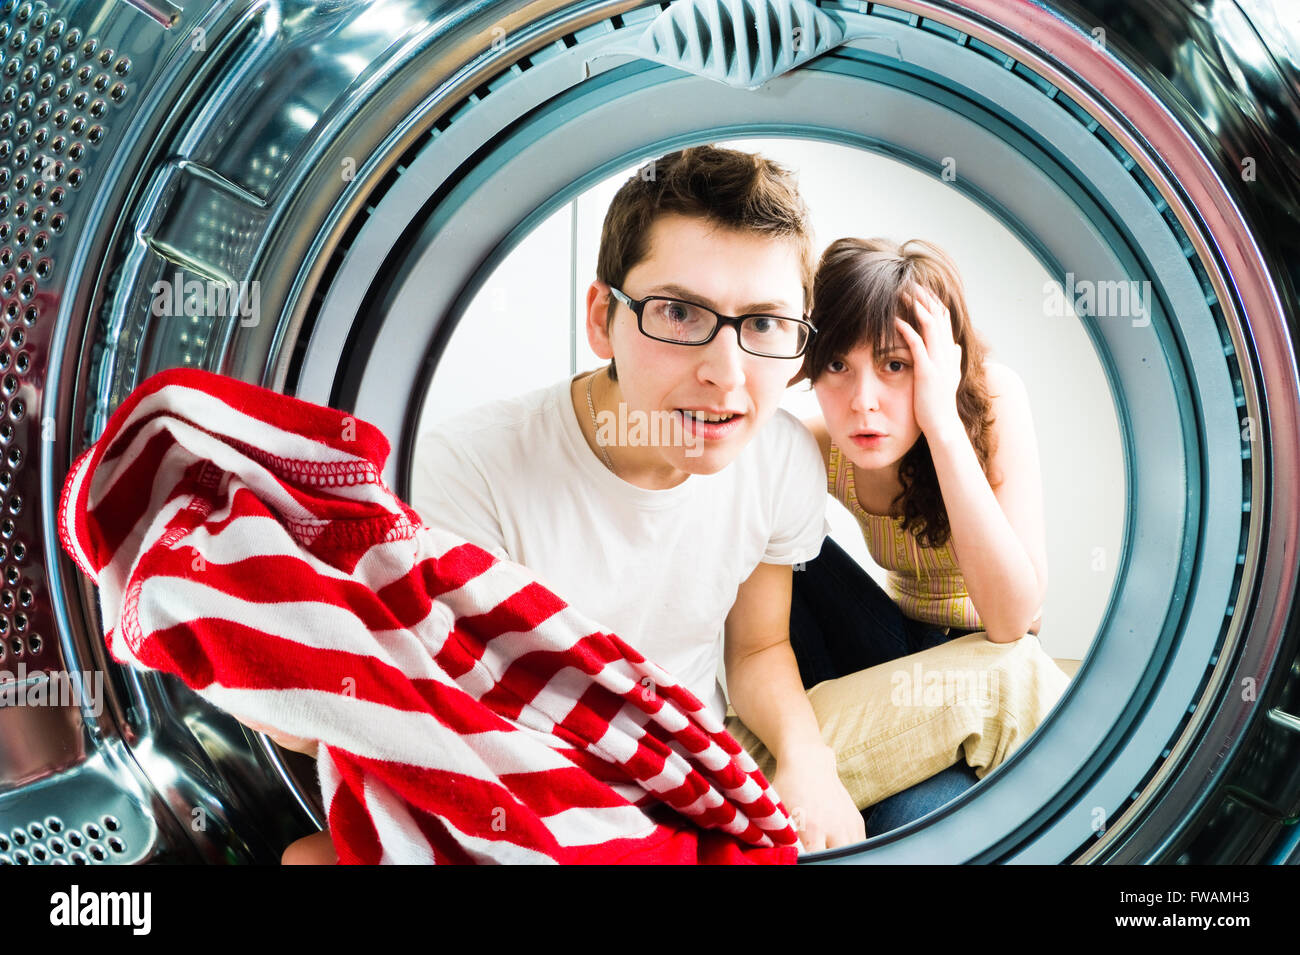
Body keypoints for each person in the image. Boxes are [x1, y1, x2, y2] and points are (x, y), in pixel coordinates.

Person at [272, 149, 1068, 863]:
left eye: (762, 324)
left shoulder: (781, 457)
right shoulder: (473, 465)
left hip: (716, 754)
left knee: (1000, 703)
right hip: (562, 792)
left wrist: (807, 759)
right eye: (680, 313)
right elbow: (459, 711)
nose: (725, 374)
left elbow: (758, 652)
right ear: (602, 319)